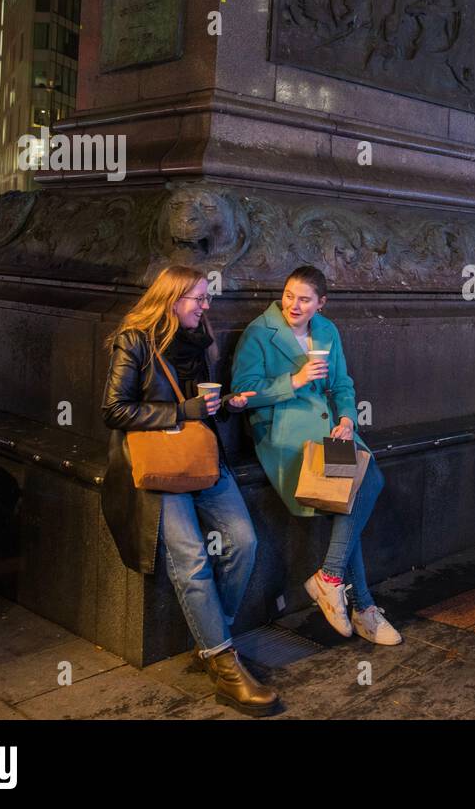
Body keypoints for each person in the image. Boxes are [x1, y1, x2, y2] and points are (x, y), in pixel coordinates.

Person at [100, 265, 278, 716]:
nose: (206, 305)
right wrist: (182, 410)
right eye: (198, 298)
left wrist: (223, 407)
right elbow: (115, 409)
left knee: (244, 541)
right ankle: (224, 663)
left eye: (206, 297)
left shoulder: (200, 339)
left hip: (200, 458)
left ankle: (213, 636)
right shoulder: (135, 339)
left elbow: (202, 408)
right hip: (158, 465)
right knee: (191, 557)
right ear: (172, 298)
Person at [231, 265, 402, 646]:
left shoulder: (326, 331)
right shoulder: (260, 333)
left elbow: (342, 384)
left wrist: (345, 419)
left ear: (320, 304)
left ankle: (331, 579)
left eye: (304, 299)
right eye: (289, 295)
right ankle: (364, 608)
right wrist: (294, 380)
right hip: (284, 433)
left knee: (364, 480)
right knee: (348, 496)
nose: (293, 304)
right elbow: (241, 394)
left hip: (327, 431)